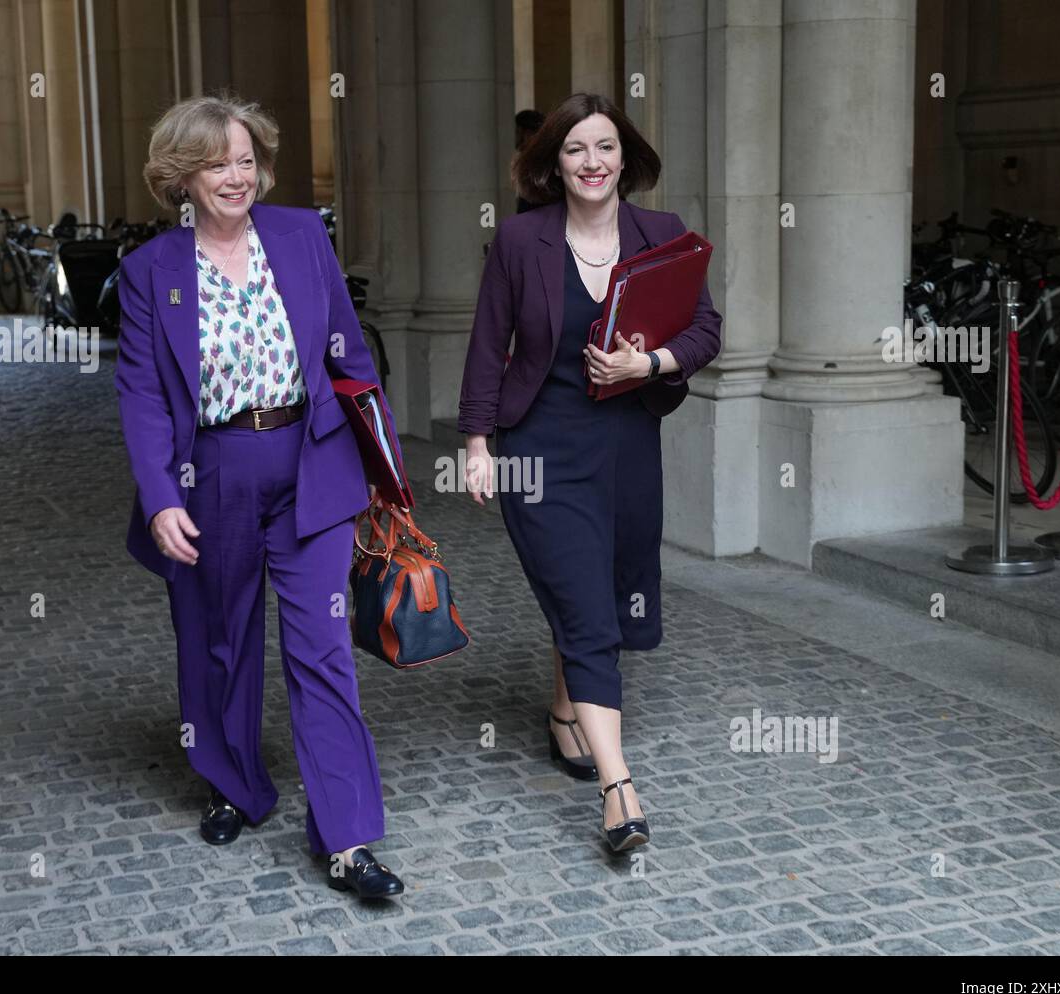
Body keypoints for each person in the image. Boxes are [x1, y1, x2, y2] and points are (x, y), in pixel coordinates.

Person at [115, 91, 406, 899]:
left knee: (324, 650)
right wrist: (160, 496)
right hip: (208, 473)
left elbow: (349, 354)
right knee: (221, 640)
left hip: (310, 464)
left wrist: (378, 460)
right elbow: (141, 393)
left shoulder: (301, 236)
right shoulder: (150, 272)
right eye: (217, 164)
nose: (237, 176)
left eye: (246, 160)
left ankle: (347, 838)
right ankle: (234, 783)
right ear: (181, 177)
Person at [458, 93, 722, 853]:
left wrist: (652, 362)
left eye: (605, 146)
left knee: (600, 589)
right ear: (552, 164)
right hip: (542, 447)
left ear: (625, 157)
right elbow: (488, 345)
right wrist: (477, 442)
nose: (592, 162)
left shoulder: (662, 234)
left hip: (628, 444)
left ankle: (563, 709)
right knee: (584, 600)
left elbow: (706, 328)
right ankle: (620, 792)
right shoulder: (520, 240)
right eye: (575, 149)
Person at [513, 109, 545, 214]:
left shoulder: (539, 161)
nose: (513, 137)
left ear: (527, 134)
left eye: (516, 132)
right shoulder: (528, 158)